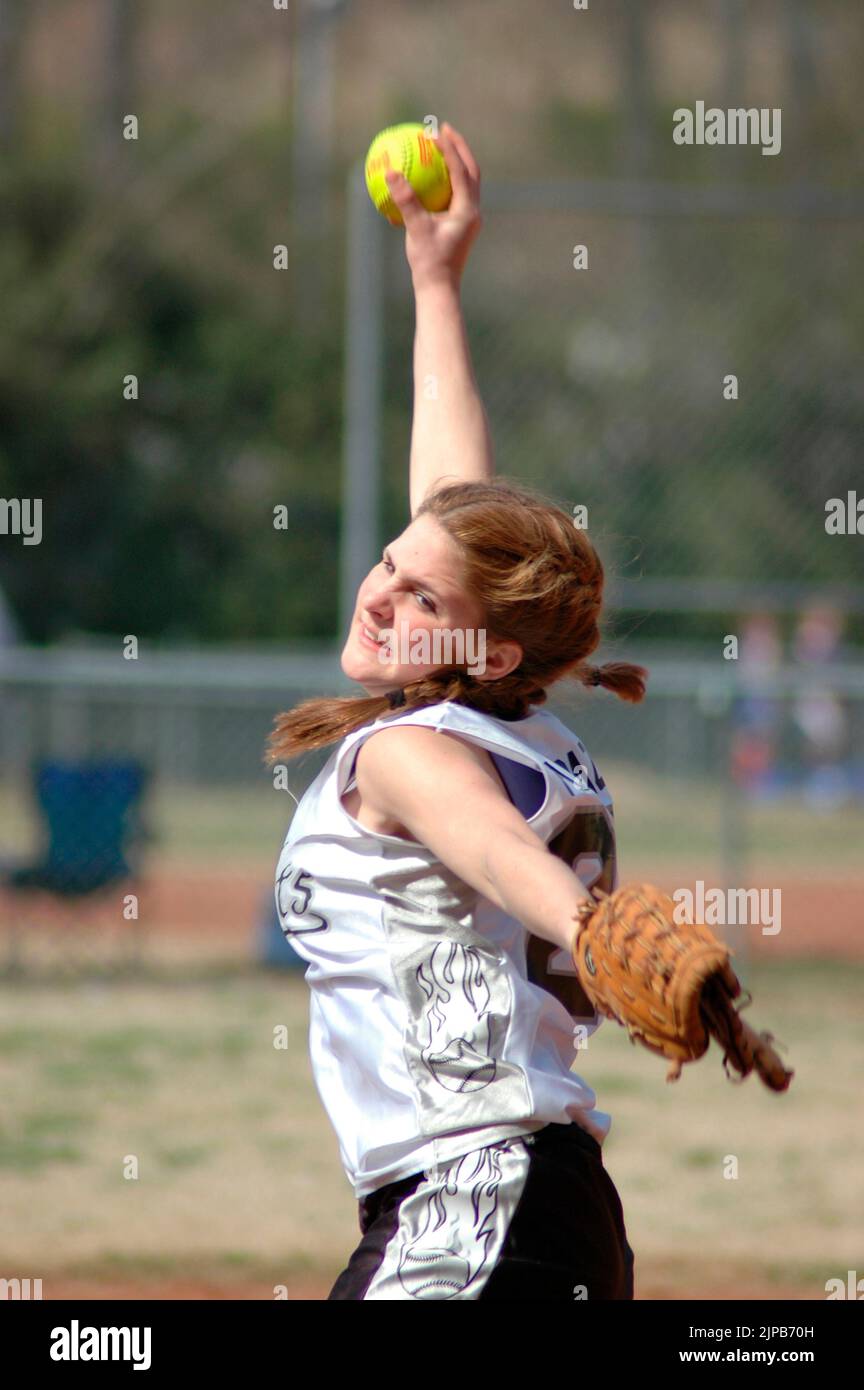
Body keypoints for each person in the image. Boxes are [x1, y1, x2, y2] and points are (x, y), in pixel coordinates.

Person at [267, 123, 646, 1301]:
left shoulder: (415, 750)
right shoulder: (512, 716)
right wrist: (435, 279)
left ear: (484, 639)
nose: (381, 588)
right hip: (548, 1210)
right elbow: (452, 494)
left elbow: (487, 849)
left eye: (419, 592)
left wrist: (595, 933)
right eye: (391, 559)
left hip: (468, 1212)